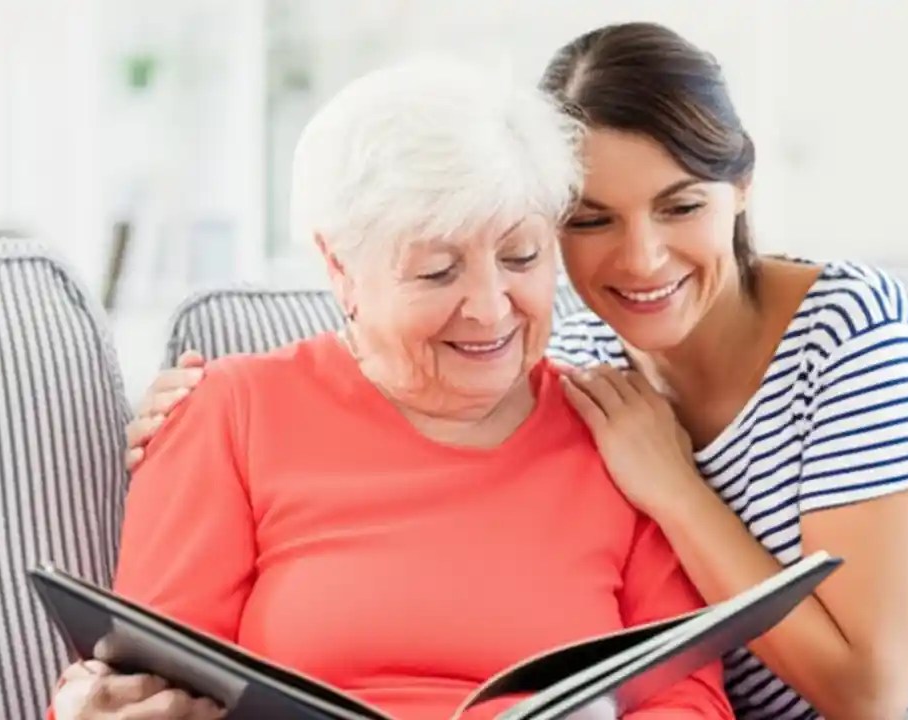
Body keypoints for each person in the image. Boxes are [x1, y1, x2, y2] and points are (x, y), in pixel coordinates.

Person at [128, 23, 908, 720]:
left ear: (739, 188)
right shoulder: (580, 355)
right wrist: (197, 413)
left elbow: (865, 694)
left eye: (680, 205)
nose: (637, 260)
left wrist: (671, 486)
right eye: (590, 222)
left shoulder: (843, 339)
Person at [49, 57, 736, 720]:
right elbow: (142, 680)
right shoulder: (231, 414)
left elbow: (688, 696)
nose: (492, 308)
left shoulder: (618, 431)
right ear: (339, 268)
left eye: (520, 257)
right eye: (438, 272)